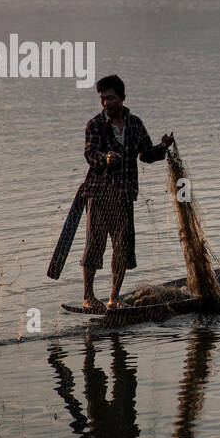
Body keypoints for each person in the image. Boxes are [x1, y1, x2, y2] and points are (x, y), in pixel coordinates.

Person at [81, 75, 173, 311]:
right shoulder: (94, 125)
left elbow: (146, 154)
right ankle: (88, 297)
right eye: (102, 99)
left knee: (122, 248)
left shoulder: (135, 125)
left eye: (110, 98)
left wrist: (163, 147)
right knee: (94, 245)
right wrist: (105, 158)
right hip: (99, 195)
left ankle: (114, 298)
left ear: (122, 98)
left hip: (124, 195)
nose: (106, 103)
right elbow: (90, 154)